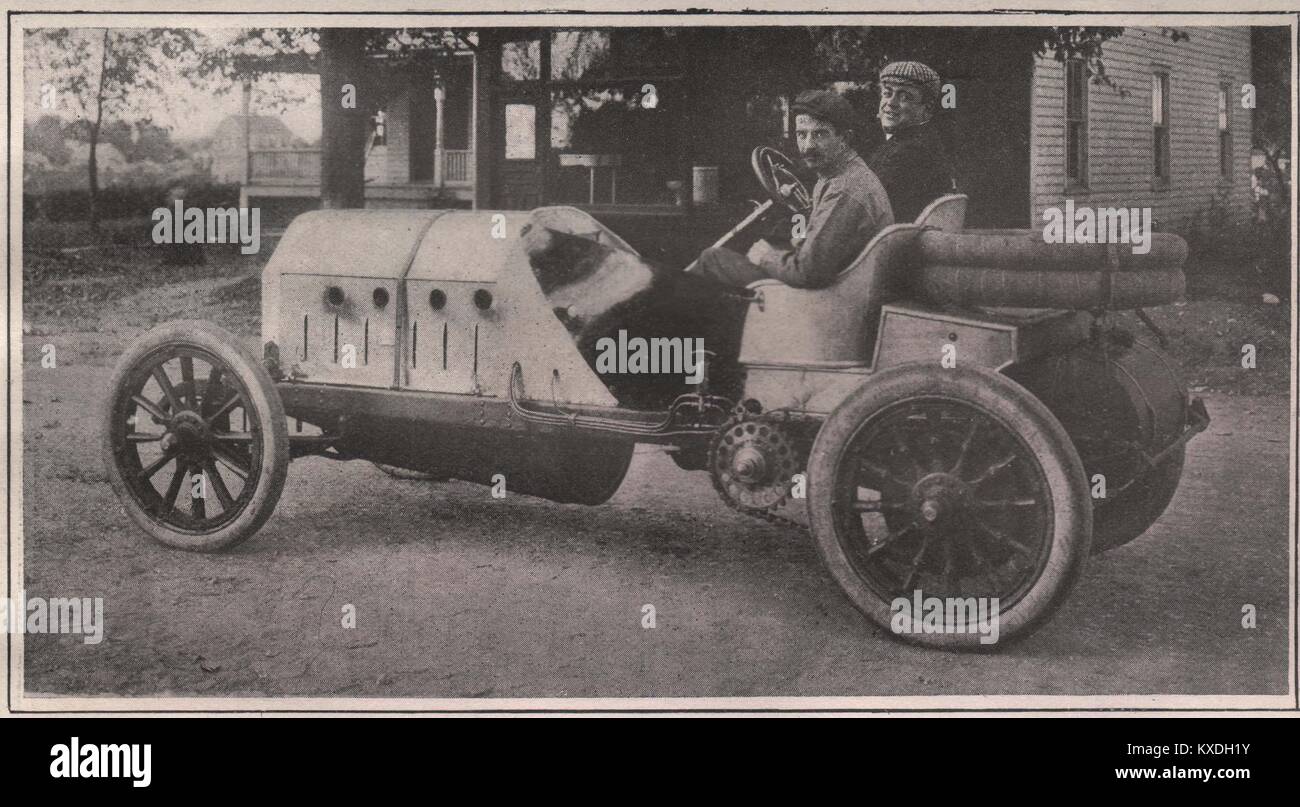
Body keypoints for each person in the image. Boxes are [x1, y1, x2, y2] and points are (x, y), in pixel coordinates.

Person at [694, 89, 894, 290]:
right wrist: (798, 214)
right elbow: (804, 238)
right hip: (832, 285)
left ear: (845, 138)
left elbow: (806, 273)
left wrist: (765, 257)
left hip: (822, 298)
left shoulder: (843, 189)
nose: (807, 146)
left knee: (713, 258)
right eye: (801, 134)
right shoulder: (838, 174)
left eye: (819, 134)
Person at [867, 61, 956, 224]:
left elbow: (864, 208)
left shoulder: (911, 151)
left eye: (905, 97)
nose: (890, 103)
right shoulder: (913, 141)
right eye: (887, 93)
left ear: (926, 109)